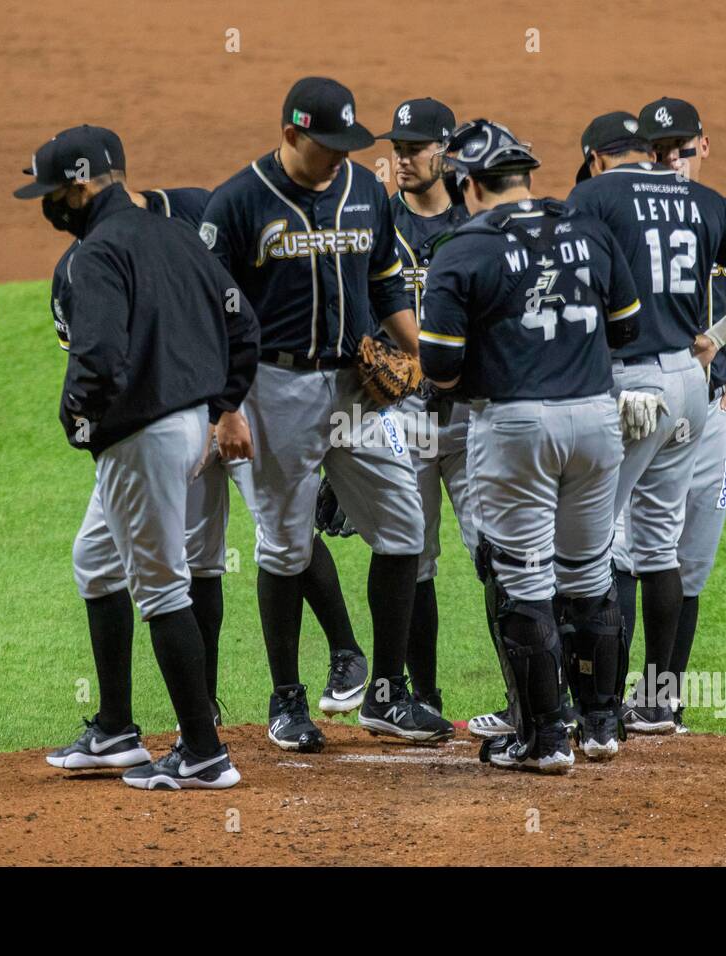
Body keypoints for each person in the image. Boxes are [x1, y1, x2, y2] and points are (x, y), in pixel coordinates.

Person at [199, 77, 454, 752]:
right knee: (285, 544)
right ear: (290, 135)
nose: (341, 157)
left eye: (348, 144)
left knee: (403, 527)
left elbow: (385, 281)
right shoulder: (237, 204)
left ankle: (387, 692)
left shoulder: (366, 195)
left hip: (355, 388)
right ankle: (287, 700)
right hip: (272, 390)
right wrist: (224, 409)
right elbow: (210, 319)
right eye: (327, 145)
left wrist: (418, 353)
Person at [17, 124, 258, 790]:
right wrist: (222, 405)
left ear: (81, 184)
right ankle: (117, 731)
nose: (48, 205)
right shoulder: (178, 234)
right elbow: (244, 324)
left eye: (52, 191)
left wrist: (78, 420)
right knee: (95, 560)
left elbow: (95, 356)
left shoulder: (93, 256)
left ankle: (205, 753)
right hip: (187, 432)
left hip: (140, 438)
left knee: (160, 586)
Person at [421, 119, 643, 772]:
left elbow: (439, 368)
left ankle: (542, 739)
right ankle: (601, 726)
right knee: (589, 571)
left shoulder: (464, 249)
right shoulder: (589, 229)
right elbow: (626, 331)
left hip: (514, 425)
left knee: (523, 579)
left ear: (466, 182)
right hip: (598, 419)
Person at [568, 104, 726, 735]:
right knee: (660, 544)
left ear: (596, 157)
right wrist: (720, 338)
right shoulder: (709, 202)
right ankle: (658, 703)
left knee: (595, 538)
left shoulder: (598, 195)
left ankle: (595, 705)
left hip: (631, 387)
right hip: (693, 387)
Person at [377, 97, 476, 717]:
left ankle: (532, 700)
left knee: (500, 552)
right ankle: (424, 698)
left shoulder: (477, 223)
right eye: (397, 149)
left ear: (446, 151)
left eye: (415, 148)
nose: (403, 158)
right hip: (400, 415)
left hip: (472, 416)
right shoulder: (377, 223)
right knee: (411, 558)